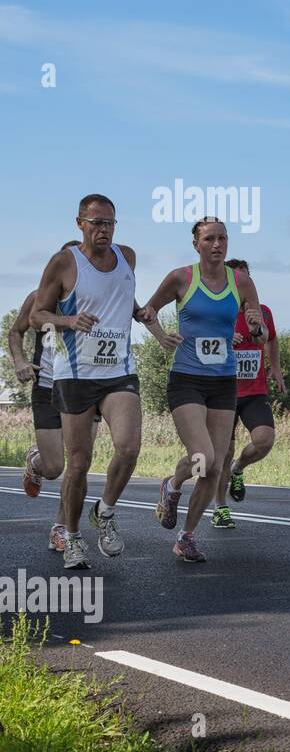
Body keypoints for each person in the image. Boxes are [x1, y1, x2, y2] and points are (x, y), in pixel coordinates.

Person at [30, 196, 170, 568]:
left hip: (118, 370)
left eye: (110, 223)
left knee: (128, 447)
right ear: (80, 223)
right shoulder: (64, 262)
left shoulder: (128, 257)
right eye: (97, 223)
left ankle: (105, 511)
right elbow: (36, 314)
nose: (104, 230)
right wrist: (68, 320)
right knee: (78, 464)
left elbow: (124, 297)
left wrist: (150, 324)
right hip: (75, 375)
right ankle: (72, 537)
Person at [143, 218, 265, 562]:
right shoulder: (181, 277)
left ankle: (186, 537)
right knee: (204, 457)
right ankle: (173, 484)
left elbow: (261, 334)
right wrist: (160, 335)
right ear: (196, 245)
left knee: (215, 467)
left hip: (224, 382)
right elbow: (147, 311)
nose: (217, 244)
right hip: (187, 379)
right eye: (209, 239)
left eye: (222, 238)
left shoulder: (241, 282)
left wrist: (256, 328)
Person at [8, 242, 101, 549]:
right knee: (54, 468)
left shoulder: (97, 299)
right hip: (47, 387)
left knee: (79, 465)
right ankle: (36, 462)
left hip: (85, 388)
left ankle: (61, 528)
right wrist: (21, 361)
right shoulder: (38, 300)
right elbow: (15, 332)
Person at [211, 259, 283, 528]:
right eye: (236, 280)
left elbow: (272, 338)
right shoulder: (217, 313)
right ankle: (220, 507)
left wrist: (275, 368)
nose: (242, 285)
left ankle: (238, 469)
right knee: (222, 452)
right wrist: (223, 341)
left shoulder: (262, 312)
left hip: (254, 391)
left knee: (264, 440)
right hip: (222, 391)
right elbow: (198, 345)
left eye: (246, 279)